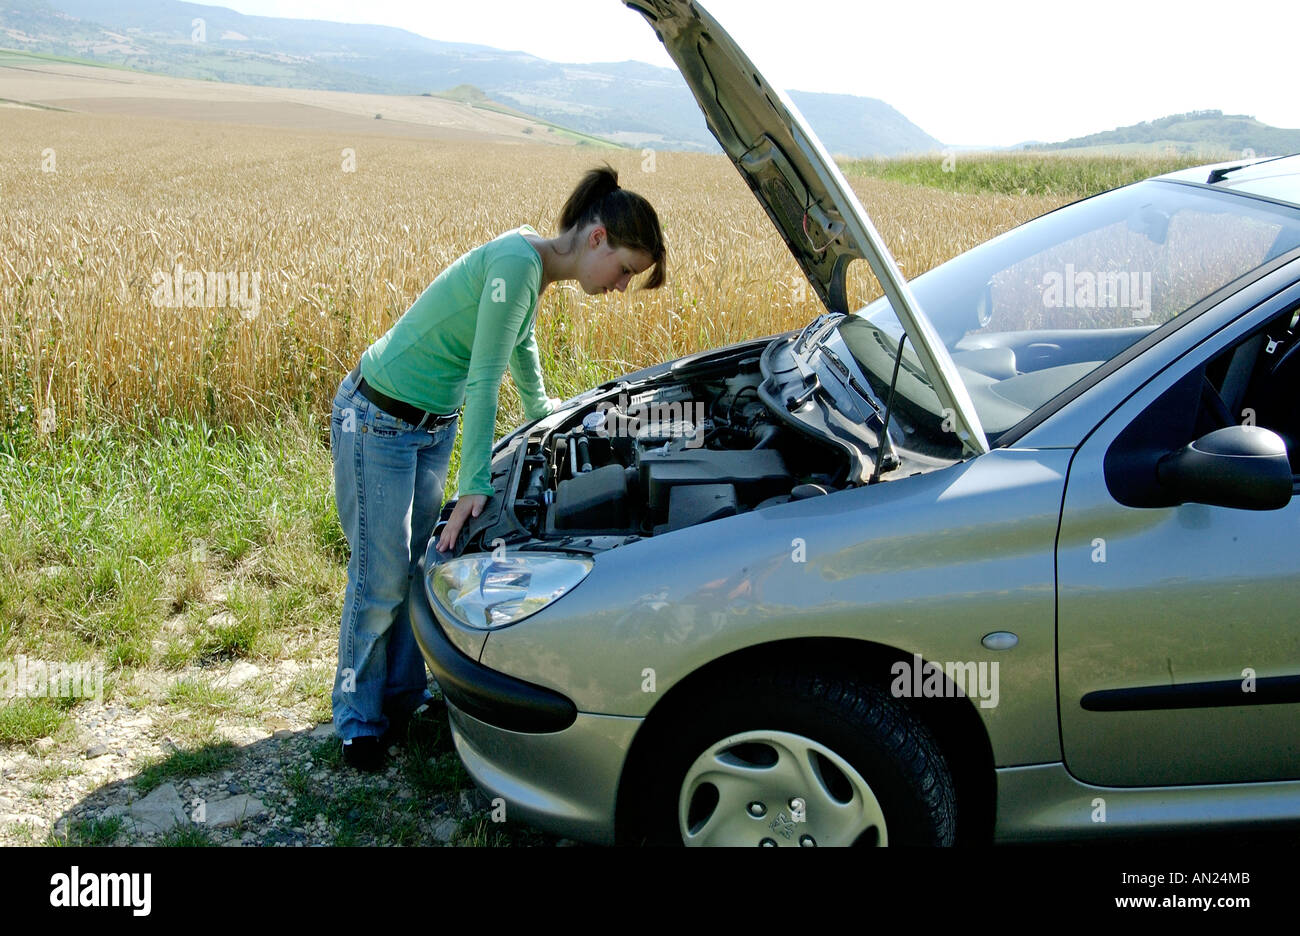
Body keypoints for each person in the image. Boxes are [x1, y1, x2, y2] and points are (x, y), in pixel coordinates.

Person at [329, 165, 667, 771]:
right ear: (596, 239)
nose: (620, 288)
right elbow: (485, 380)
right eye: (624, 271)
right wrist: (475, 484)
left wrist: (548, 415)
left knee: (415, 567)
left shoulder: (530, 266)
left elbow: (521, 349)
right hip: (378, 419)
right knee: (379, 577)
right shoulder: (517, 262)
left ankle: (403, 701)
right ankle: (358, 720)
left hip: (431, 424)